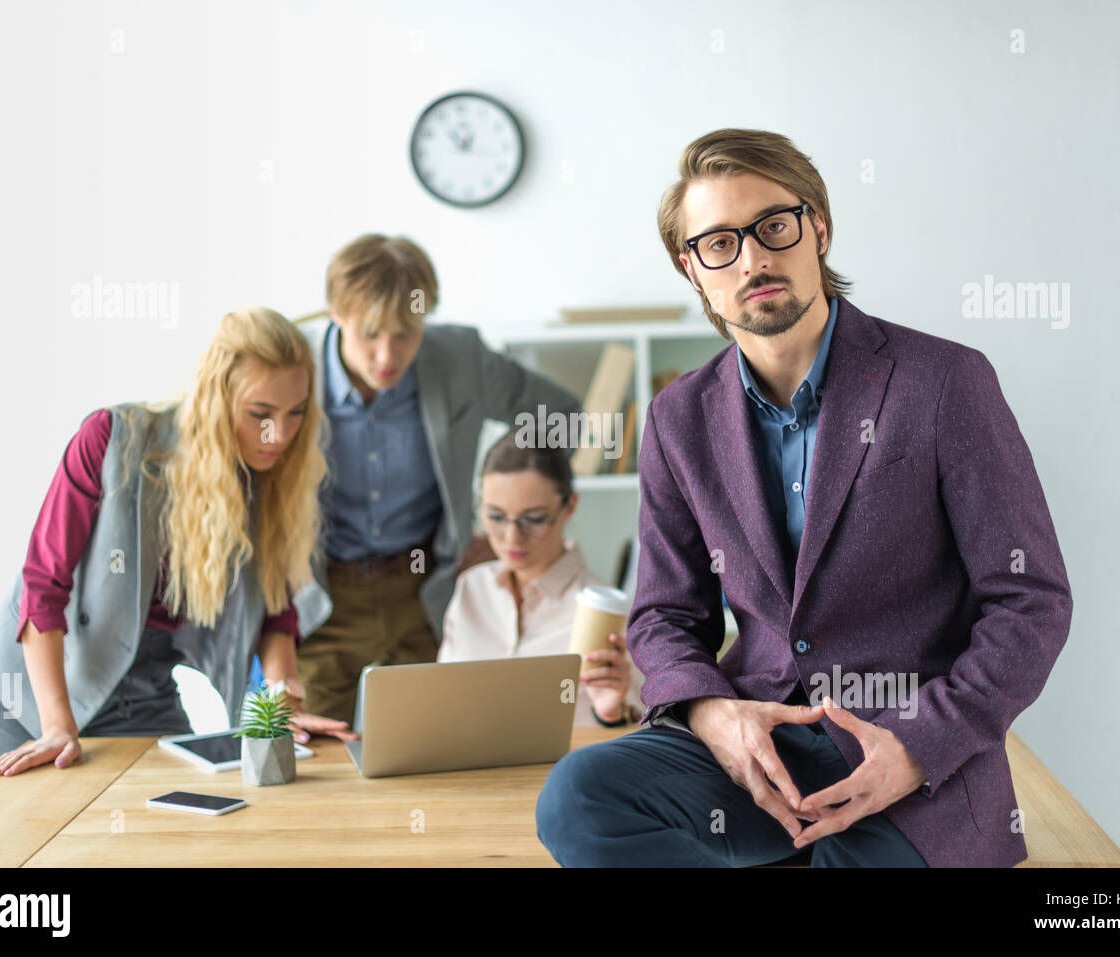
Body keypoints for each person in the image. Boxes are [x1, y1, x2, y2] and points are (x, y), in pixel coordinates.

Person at [536, 128, 1074, 868]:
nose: (753, 258)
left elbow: (1031, 600)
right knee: (579, 795)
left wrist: (921, 744)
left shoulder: (946, 382)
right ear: (692, 269)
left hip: (910, 760)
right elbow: (664, 614)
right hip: (755, 748)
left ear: (818, 227)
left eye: (773, 227)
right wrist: (711, 711)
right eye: (718, 243)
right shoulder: (678, 416)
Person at [0, 307, 354, 776]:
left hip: (146, 685)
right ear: (216, 398)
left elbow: (275, 609)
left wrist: (283, 714)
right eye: (259, 413)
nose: (278, 435)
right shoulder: (112, 439)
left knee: (176, 822)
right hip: (40, 686)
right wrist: (57, 725)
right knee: (59, 840)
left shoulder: (269, 476)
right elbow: (43, 584)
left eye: (295, 413)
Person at [292, 234, 582, 726]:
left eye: (406, 332)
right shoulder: (293, 367)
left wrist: (499, 518)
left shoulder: (459, 357)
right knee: (315, 766)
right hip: (321, 600)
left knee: (431, 753)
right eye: (370, 333)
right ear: (334, 313)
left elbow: (561, 416)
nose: (387, 355)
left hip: (425, 594)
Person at [438, 429, 644, 727]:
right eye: (495, 517)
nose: (512, 538)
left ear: (569, 506)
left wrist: (611, 714)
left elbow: (647, 742)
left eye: (533, 519)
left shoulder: (609, 614)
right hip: (468, 769)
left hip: (559, 772)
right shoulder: (471, 589)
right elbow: (442, 701)